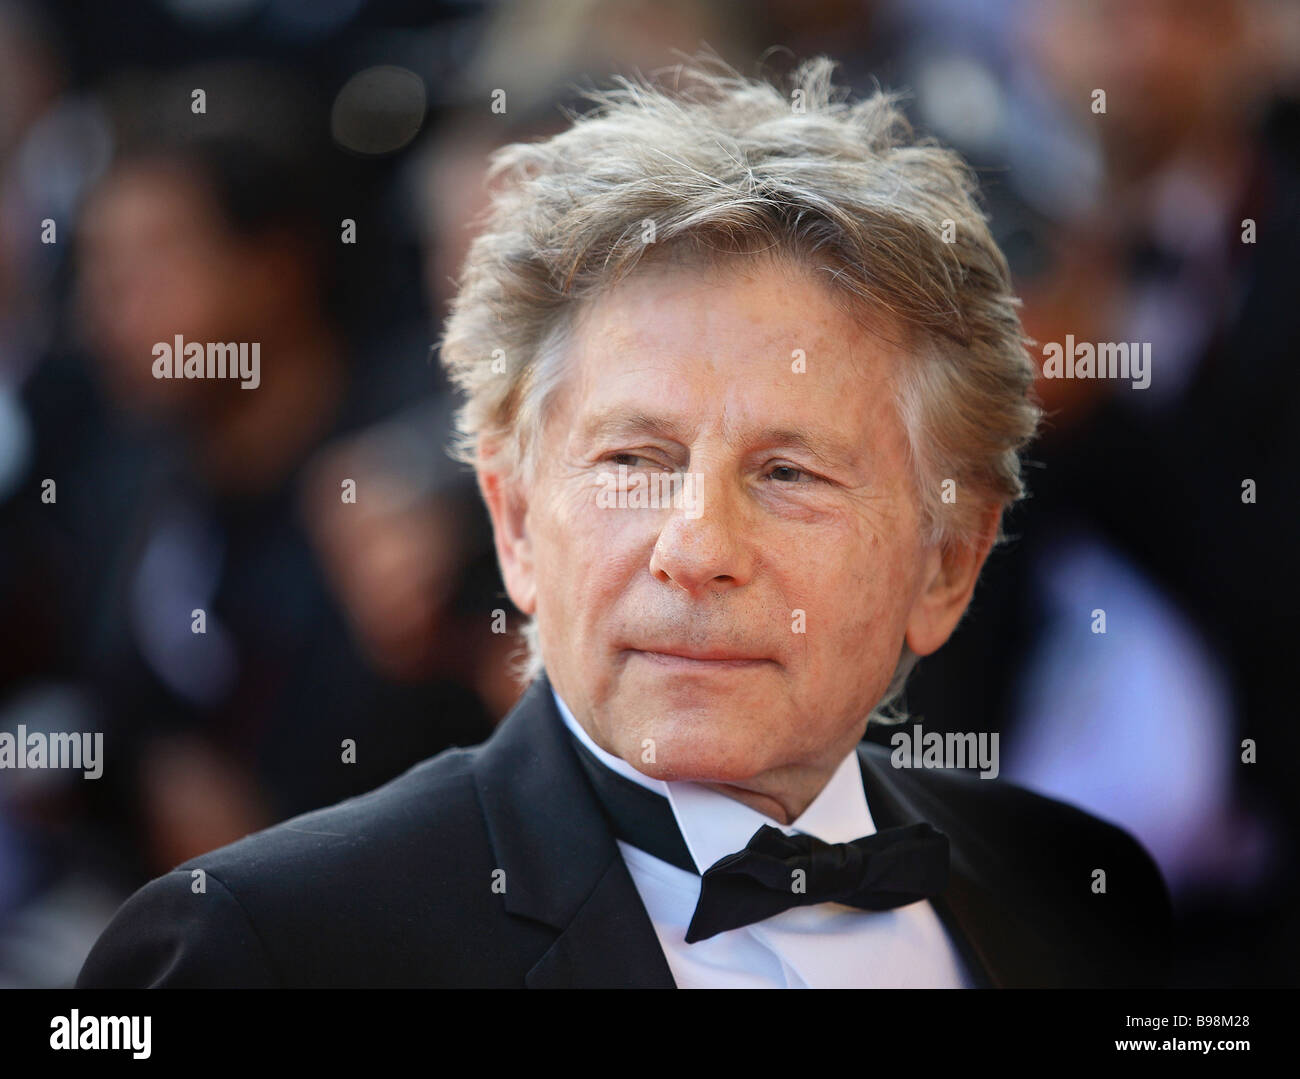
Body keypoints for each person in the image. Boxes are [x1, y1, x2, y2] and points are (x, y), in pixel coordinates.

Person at [76, 56, 1171, 989]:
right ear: (512, 521)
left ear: (948, 558)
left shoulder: (1078, 887)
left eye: (789, 472)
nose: (695, 547)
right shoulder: (263, 951)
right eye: (634, 461)